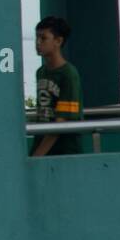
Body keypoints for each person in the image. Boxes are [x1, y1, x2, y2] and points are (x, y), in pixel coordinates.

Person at [31, 16, 83, 156]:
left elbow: (62, 120)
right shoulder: (41, 72)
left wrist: (38, 155)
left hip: (64, 150)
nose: (38, 42)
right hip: (41, 143)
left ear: (58, 41)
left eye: (43, 38)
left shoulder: (69, 74)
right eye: (36, 38)